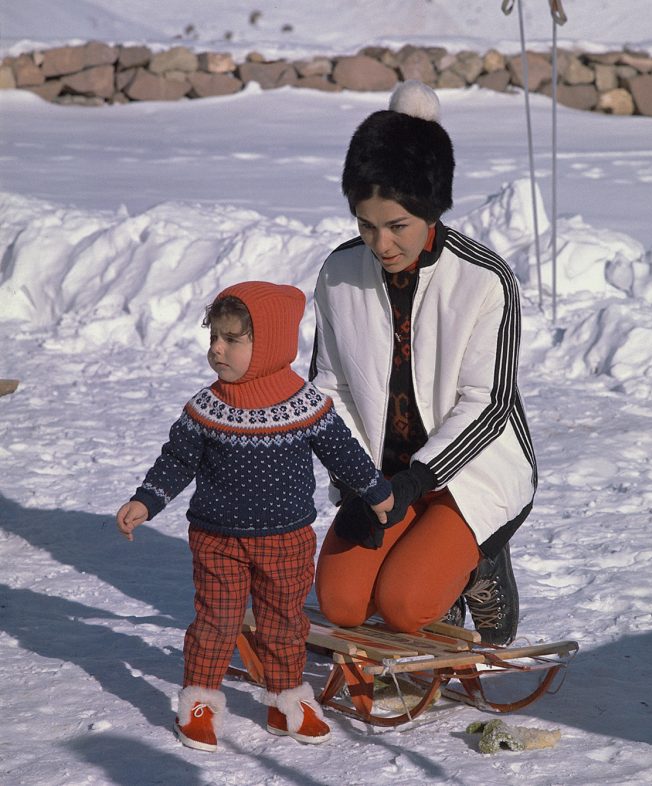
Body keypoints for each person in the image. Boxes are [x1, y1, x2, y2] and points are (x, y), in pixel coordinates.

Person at [116, 281, 393, 751]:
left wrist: (375, 491)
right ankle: (199, 700)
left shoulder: (304, 404)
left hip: (287, 539)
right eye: (213, 339)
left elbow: (342, 451)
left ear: (268, 344)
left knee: (284, 622)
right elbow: (179, 459)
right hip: (217, 537)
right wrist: (147, 499)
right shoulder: (208, 407)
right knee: (217, 621)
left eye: (232, 339)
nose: (217, 350)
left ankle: (287, 700)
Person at [310, 81, 536, 646]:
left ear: (429, 211)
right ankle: (427, 556)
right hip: (383, 477)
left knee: (405, 605)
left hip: (465, 474)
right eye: (366, 224)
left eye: (396, 226)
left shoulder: (485, 279)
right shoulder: (339, 274)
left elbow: (489, 404)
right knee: (341, 604)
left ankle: (480, 566)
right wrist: (357, 479)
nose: (380, 243)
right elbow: (328, 389)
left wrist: (417, 481)